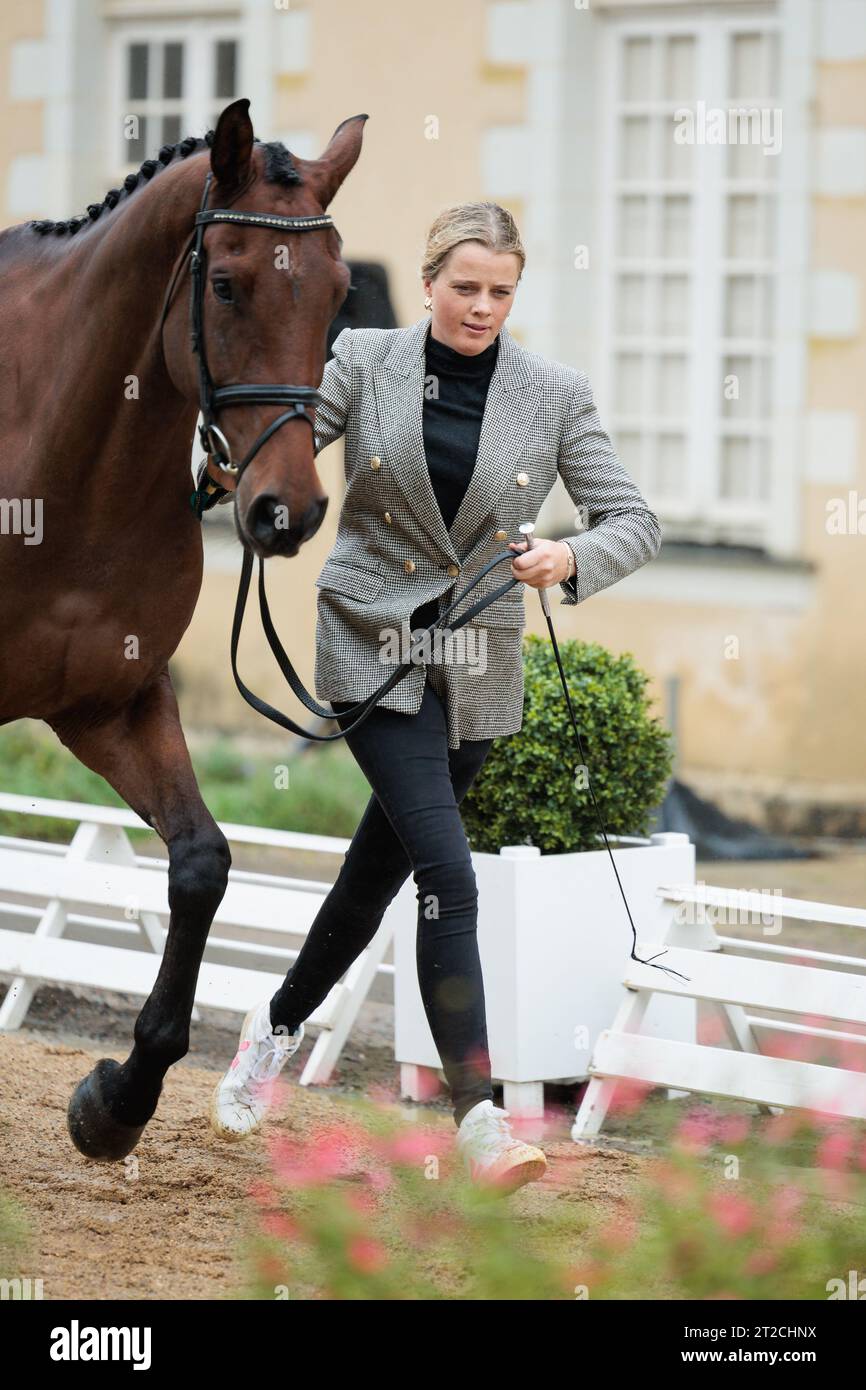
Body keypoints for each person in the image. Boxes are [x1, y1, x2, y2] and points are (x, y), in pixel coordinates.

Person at [210, 201, 662, 1190]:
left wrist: (567, 553)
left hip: (475, 671)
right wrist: (221, 478)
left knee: (374, 876)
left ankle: (273, 1025)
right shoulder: (365, 360)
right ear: (427, 283)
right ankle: (481, 1123)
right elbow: (282, 447)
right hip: (370, 643)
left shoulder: (552, 393)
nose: (482, 307)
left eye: (500, 292)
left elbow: (633, 518)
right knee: (447, 881)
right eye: (464, 287)